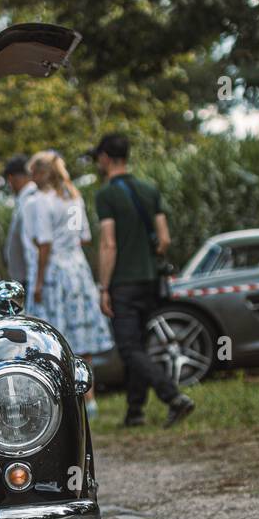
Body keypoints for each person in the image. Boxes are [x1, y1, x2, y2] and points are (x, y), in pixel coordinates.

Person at [90, 133, 195, 428]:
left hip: (123, 282)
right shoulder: (149, 190)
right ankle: (134, 413)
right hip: (149, 280)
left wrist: (104, 287)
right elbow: (164, 239)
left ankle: (174, 397)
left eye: (99, 156)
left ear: (107, 158)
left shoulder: (106, 195)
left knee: (128, 348)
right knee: (138, 347)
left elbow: (108, 243)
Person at [26, 150, 115, 417]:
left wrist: (39, 282)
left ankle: (64, 403)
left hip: (55, 272)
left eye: (33, 173)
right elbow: (83, 237)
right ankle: (90, 400)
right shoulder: (73, 198)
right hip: (78, 270)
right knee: (81, 337)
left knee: (55, 336)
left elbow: (44, 244)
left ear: (41, 174)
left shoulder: (40, 202)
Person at [2, 155, 40, 289]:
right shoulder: (24, 199)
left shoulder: (30, 200)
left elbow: (32, 242)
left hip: (30, 276)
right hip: (27, 275)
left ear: (11, 178)